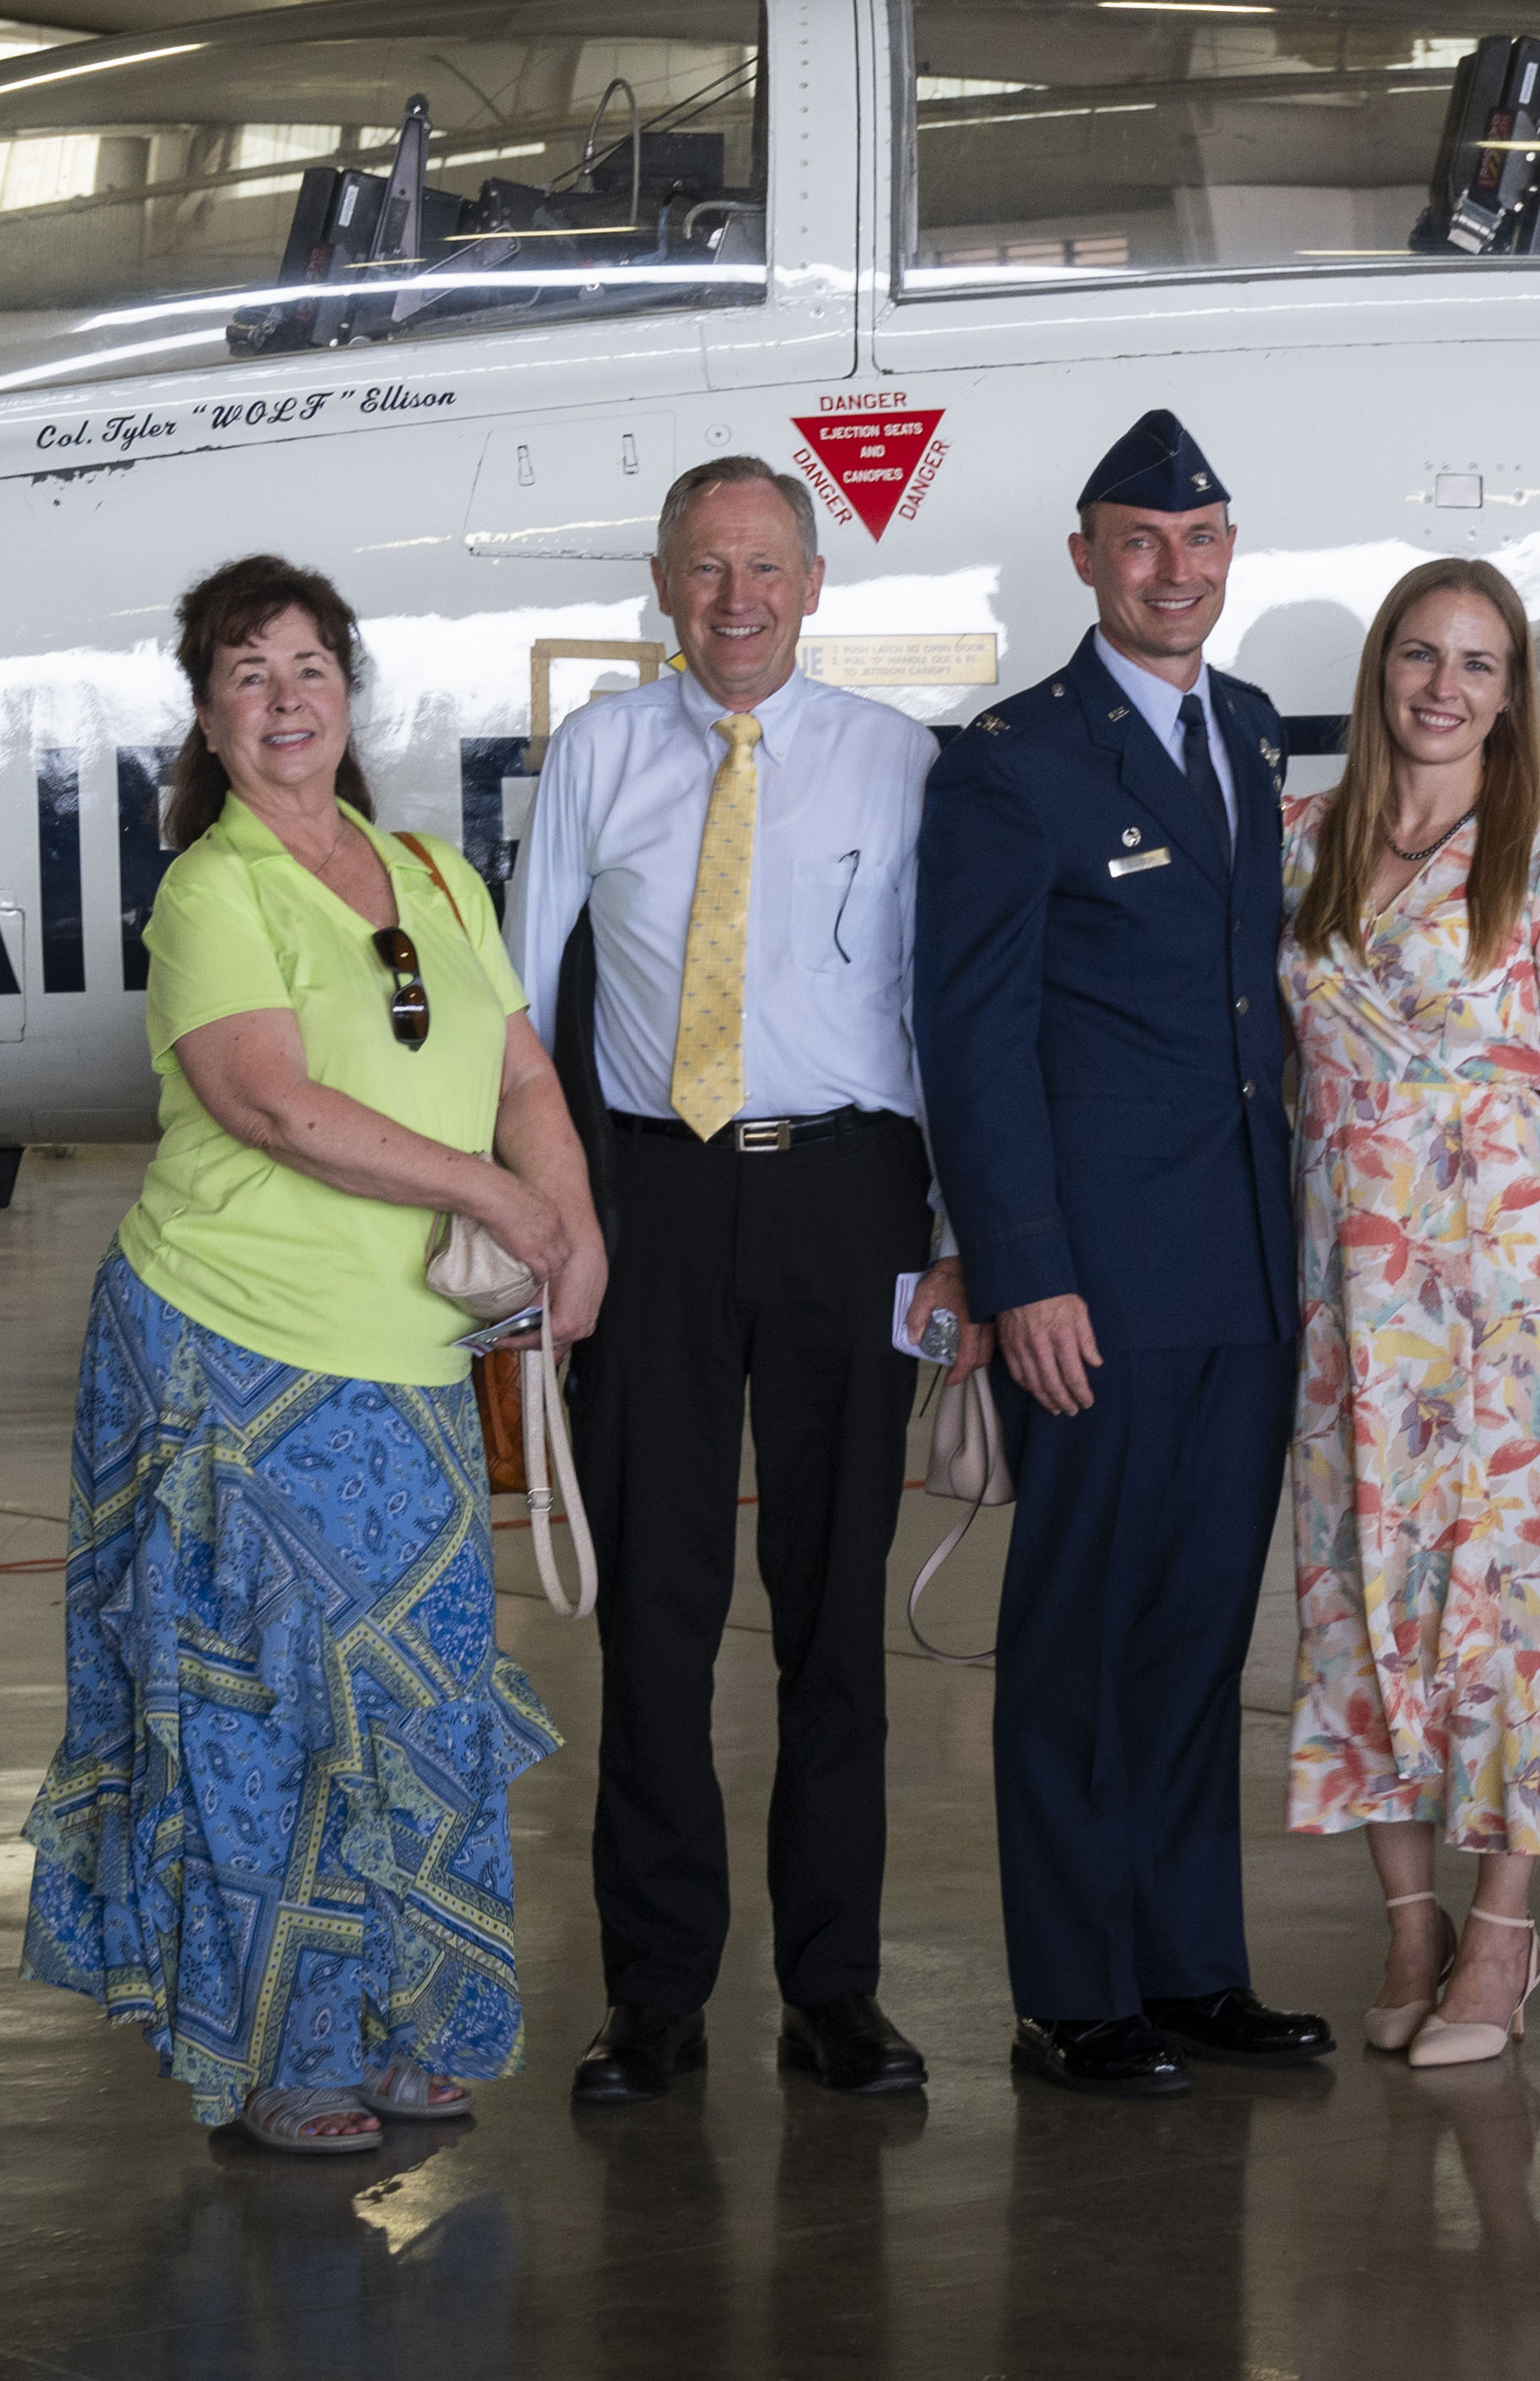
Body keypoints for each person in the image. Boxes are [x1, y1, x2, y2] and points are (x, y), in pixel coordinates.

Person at [21, 554, 595, 2156]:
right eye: (248, 673)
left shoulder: (430, 873)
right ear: (209, 711)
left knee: (414, 1707)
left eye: (310, 668)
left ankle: (412, 2023)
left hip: (404, 1360)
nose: (285, 700)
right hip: (228, 1353)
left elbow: (521, 1077)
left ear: (352, 693)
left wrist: (574, 1225)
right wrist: (491, 1194)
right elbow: (272, 1105)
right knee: (257, 1715)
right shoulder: (212, 890)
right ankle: (280, 2053)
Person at [509, 456, 976, 2105]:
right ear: (660, 582)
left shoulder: (901, 765)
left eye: (765, 565)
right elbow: (515, 1006)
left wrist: (949, 1234)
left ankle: (831, 1992)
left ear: (815, 583)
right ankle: (651, 1998)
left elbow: (946, 1013)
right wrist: (553, 1222)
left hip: (848, 1196)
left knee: (833, 1620)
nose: (737, 598)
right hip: (657, 1198)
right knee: (657, 1613)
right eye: (705, 568)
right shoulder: (597, 756)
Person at [915, 409, 1336, 2099]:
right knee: (1081, 1631)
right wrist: (1021, 1266)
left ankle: (1190, 1962)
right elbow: (975, 1035)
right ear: (1086, 556)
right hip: (1093, 1275)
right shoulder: (1013, 760)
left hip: (1241, 1261)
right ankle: (1073, 1988)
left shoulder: (1242, 727)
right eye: (1144, 541)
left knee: (1193, 1632)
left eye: (1206, 538)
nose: (1179, 569)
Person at [1281, 559, 1540, 2069]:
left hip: (1501, 1279)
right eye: (1422, 656)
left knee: (1516, 1591)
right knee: (1359, 1576)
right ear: (1382, 672)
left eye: (1480, 665)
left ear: (1513, 695)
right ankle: (1407, 1919)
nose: (1446, 686)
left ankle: (1503, 1931)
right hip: (1343, 1284)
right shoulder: (1296, 844)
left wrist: (1460, 1168)